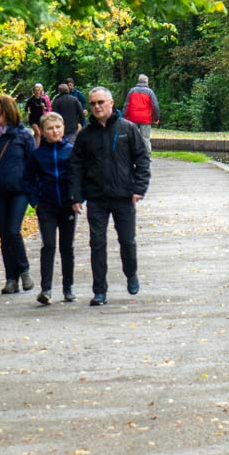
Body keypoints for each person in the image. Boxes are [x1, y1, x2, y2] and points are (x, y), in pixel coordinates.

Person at [70, 86, 151, 306]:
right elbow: (75, 167)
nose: (97, 107)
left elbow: (142, 159)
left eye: (100, 102)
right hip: (96, 197)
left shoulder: (127, 129)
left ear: (111, 103)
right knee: (97, 243)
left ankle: (131, 273)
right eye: (93, 103)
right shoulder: (85, 135)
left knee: (127, 241)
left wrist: (139, 188)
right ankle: (99, 291)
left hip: (124, 196)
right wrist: (76, 197)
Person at [0, 95, 38, 294]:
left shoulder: (23, 135)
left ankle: (24, 270)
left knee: (13, 230)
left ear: (8, 111)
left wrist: (35, 191)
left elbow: (33, 163)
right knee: (4, 235)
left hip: (19, 191)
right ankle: (11, 279)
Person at [27, 113, 81, 305]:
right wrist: (35, 201)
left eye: (58, 127)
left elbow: (78, 177)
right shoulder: (37, 155)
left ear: (63, 128)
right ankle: (46, 289)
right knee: (48, 245)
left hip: (68, 205)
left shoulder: (71, 151)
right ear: (42, 131)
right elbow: (30, 180)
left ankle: (68, 287)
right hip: (46, 206)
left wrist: (77, 198)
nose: (54, 131)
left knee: (67, 247)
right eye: (50, 128)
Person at [122, 74, 160, 145]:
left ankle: (133, 155)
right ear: (147, 82)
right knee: (145, 139)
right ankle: (146, 155)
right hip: (145, 118)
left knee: (133, 138)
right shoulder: (150, 92)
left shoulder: (132, 91)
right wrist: (156, 118)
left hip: (133, 117)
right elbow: (155, 105)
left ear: (138, 81)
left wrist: (124, 117)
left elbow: (126, 105)